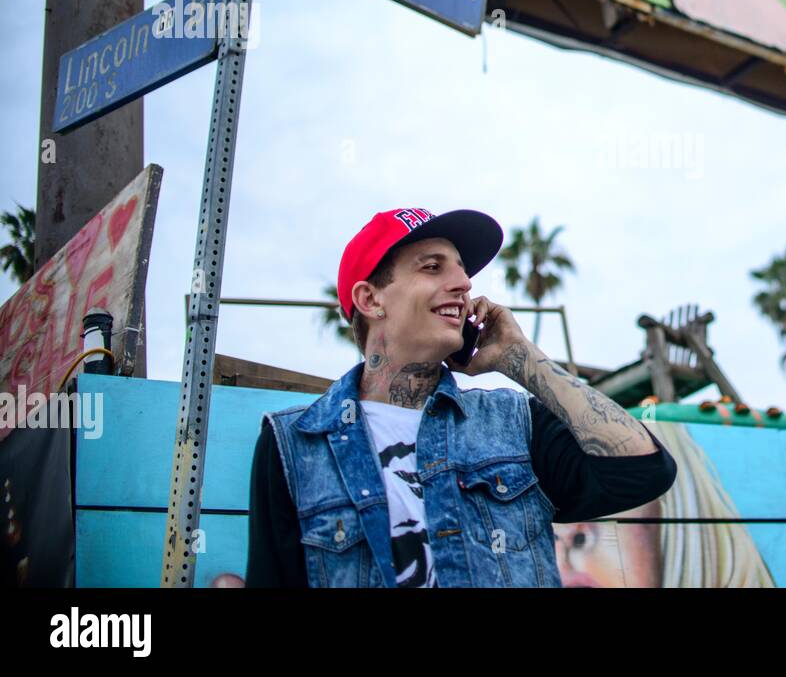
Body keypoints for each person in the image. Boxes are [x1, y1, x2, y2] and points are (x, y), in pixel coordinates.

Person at [245, 206, 677, 587]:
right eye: (433, 267)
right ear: (370, 299)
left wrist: (519, 358)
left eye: (461, 270)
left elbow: (643, 470)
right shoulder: (293, 444)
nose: (464, 283)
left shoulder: (513, 423)